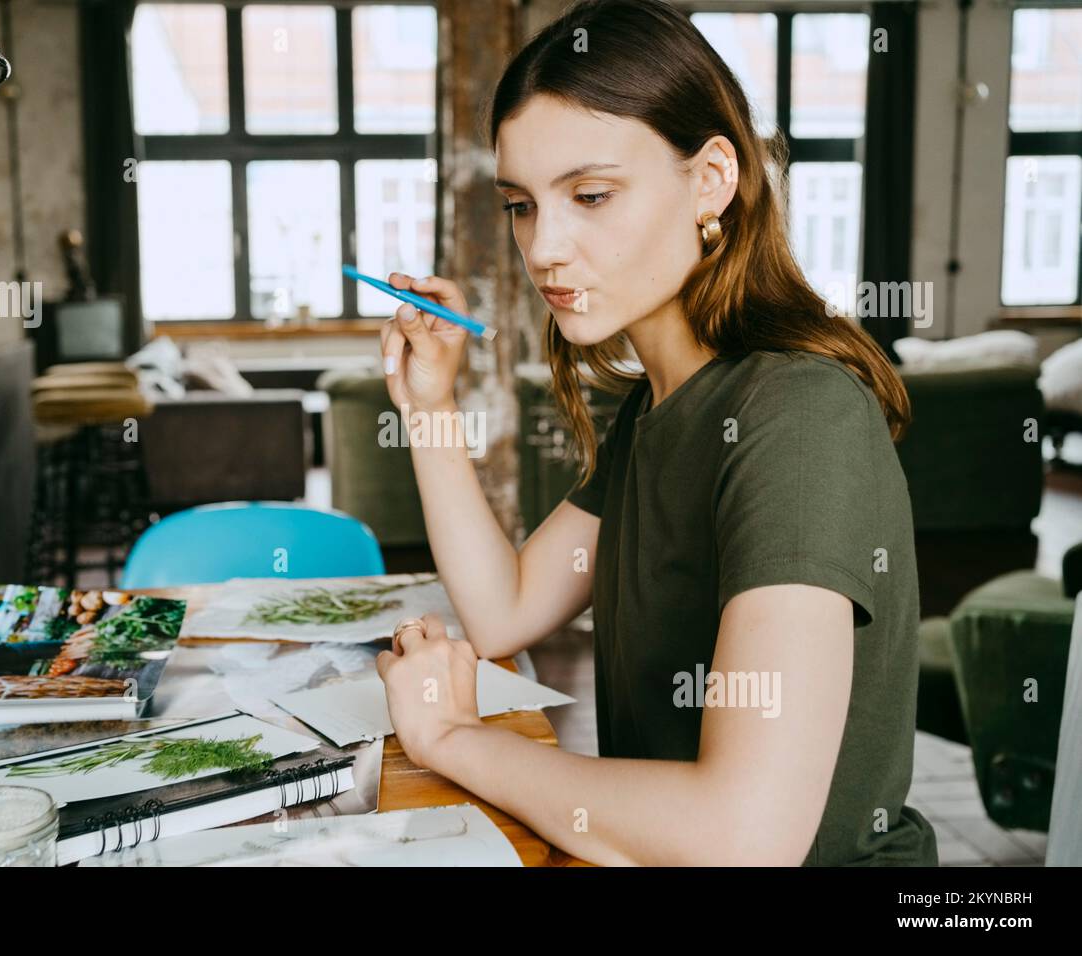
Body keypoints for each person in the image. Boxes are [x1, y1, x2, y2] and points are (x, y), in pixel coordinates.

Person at [373, 0, 937, 866]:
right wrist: (428, 408)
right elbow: (504, 611)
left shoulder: (798, 418)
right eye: (522, 205)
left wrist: (453, 739)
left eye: (591, 195)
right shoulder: (661, 410)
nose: (545, 248)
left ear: (710, 179)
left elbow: (744, 837)